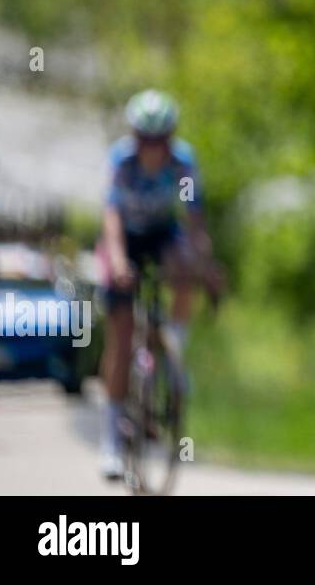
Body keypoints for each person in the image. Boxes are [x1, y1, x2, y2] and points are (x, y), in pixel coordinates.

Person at [97, 90, 219, 479]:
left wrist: (206, 263)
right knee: (121, 335)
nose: (151, 149)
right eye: (144, 139)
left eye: (159, 140)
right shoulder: (122, 160)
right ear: (135, 137)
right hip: (125, 240)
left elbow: (193, 219)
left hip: (161, 234)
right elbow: (112, 215)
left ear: (171, 137)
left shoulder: (183, 163)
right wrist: (117, 261)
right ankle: (112, 440)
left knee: (185, 267)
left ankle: (173, 348)